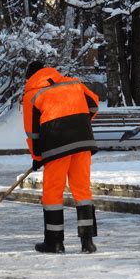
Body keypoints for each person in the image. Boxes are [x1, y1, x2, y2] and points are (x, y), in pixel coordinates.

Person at [22, 61, 99, 254]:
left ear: (30, 77)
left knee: (53, 193)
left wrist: (37, 156)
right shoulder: (73, 83)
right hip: (82, 143)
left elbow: (33, 132)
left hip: (56, 146)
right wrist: (78, 123)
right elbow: (94, 103)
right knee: (82, 190)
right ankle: (87, 242)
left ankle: (54, 243)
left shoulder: (32, 94)